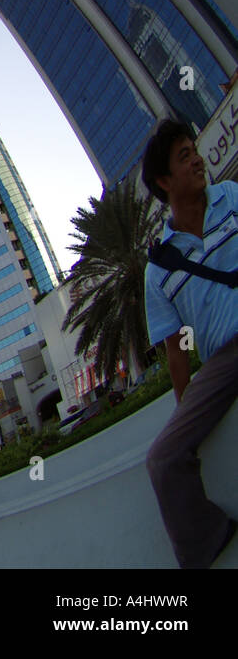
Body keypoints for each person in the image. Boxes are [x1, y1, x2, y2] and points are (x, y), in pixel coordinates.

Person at [141, 119, 238, 568]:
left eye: (194, 150)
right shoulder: (159, 271)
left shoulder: (233, 200)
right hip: (225, 360)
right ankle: (208, 542)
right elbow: (177, 355)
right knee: (162, 459)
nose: (197, 159)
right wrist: (190, 418)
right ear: (164, 181)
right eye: (184, 156)